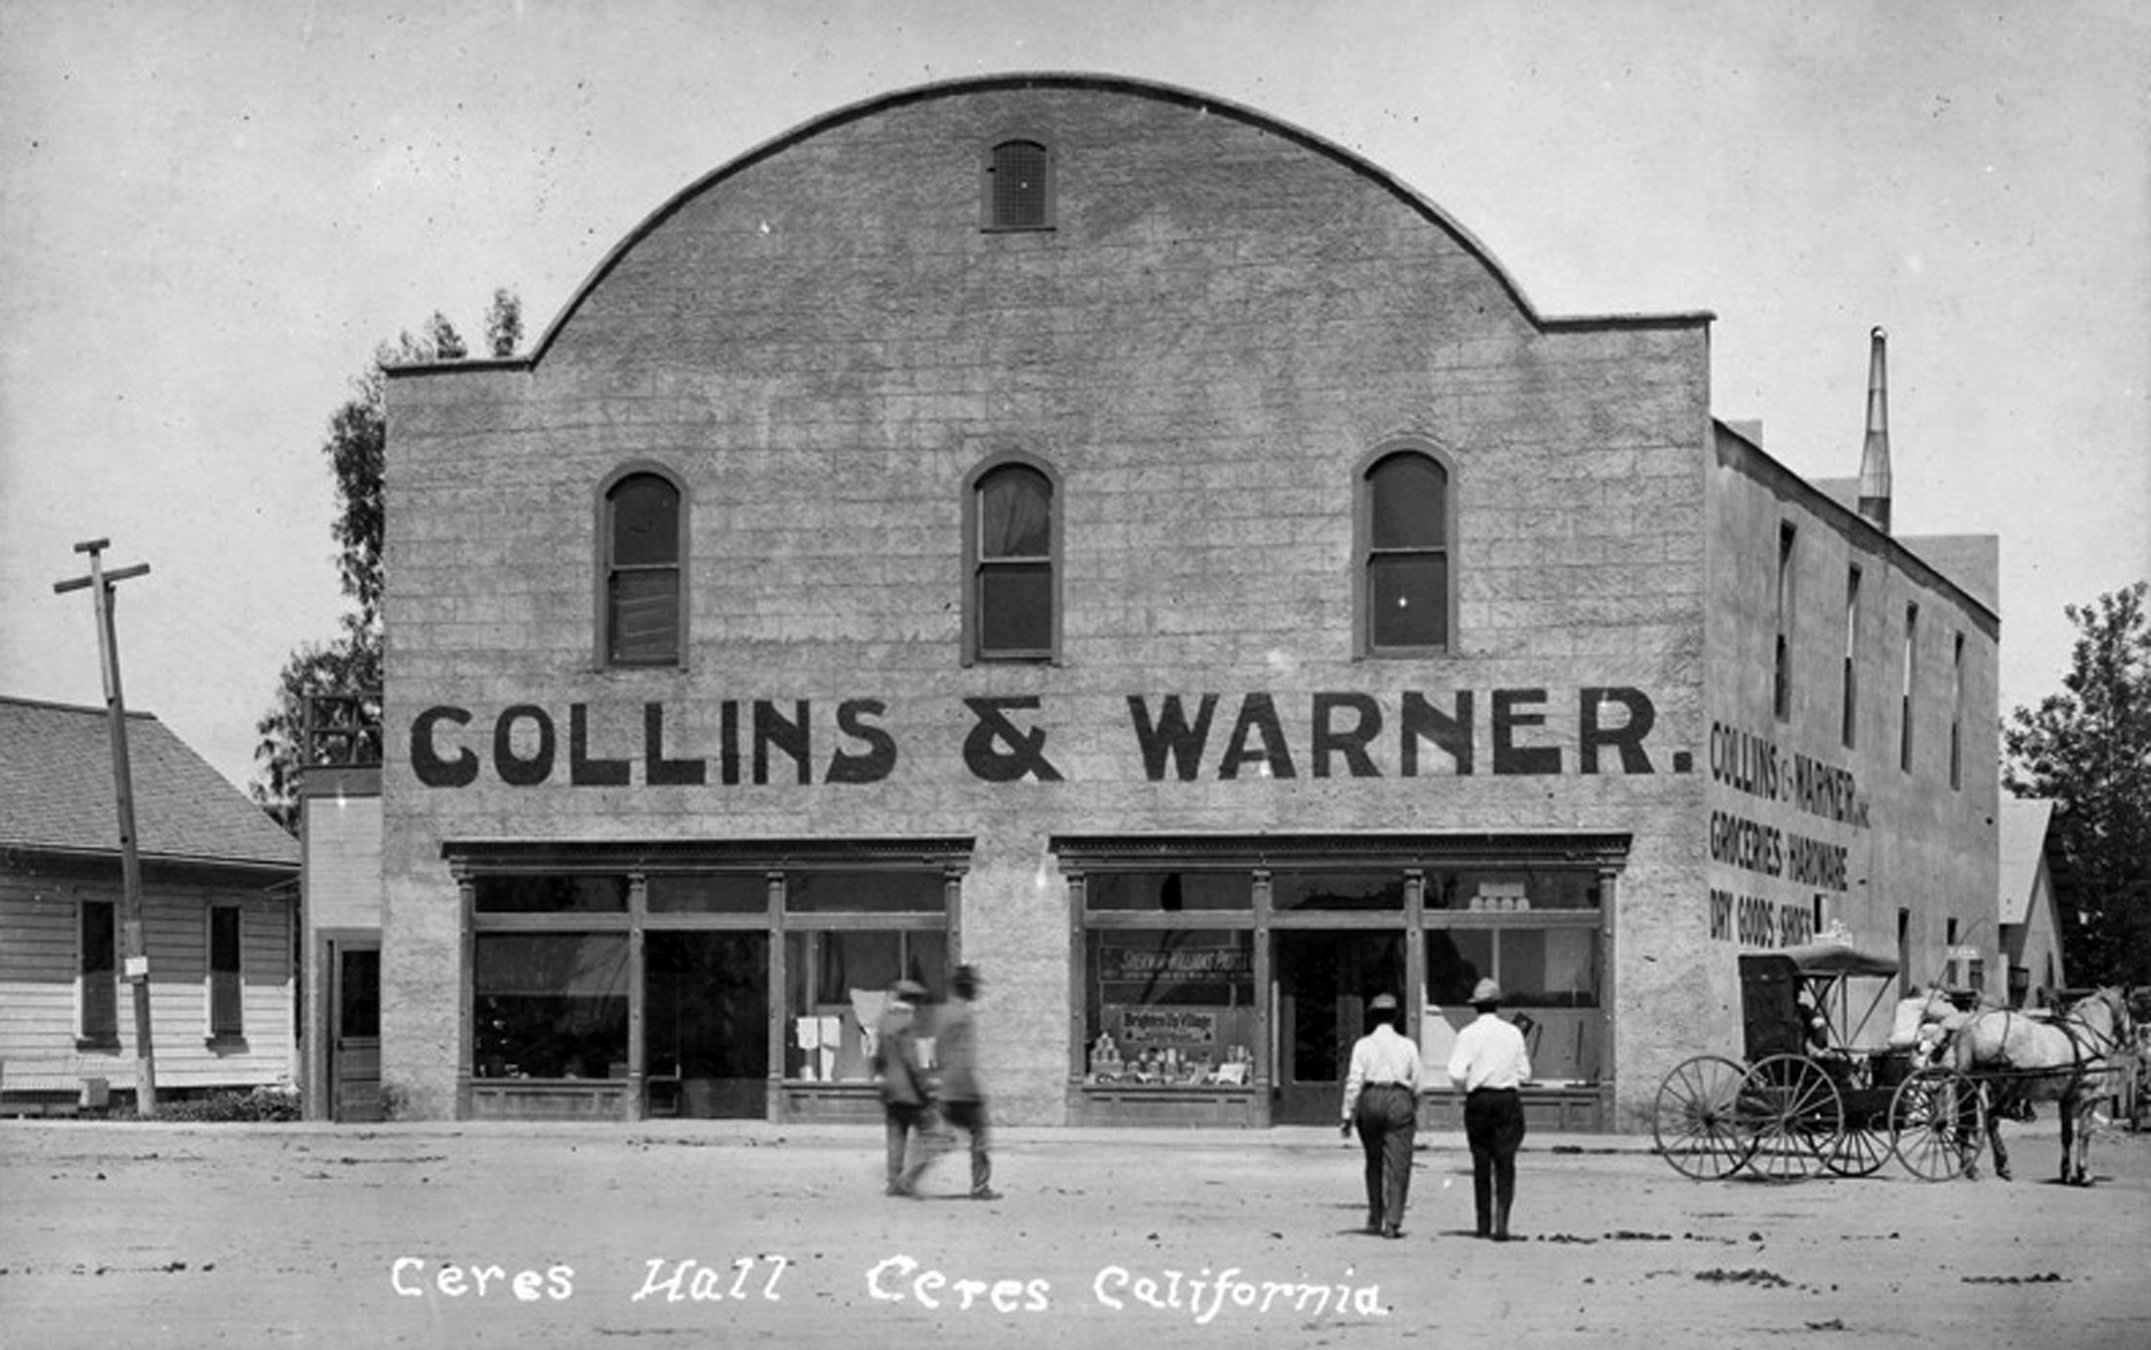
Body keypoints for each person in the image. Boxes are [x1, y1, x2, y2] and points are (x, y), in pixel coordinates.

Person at [1446, 978, 1530, 1241]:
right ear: (1497, 1005)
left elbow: (1456, 1072)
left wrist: (1465, 1089)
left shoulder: (1467, 1034)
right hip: (1506, 1099)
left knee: (1481, 1162)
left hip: (1479, 1100)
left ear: (1476, 1007)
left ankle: (1483, 1225)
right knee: (1506, 1162)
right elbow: (1525, 1073)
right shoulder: (1513, 1033)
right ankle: (1502, 1222)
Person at [1339, 992, 1421, 1239]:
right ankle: (1393, 1221)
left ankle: (1375, 1216)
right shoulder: (1407, 1045)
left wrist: (1347, 1114)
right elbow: (1418, 1082)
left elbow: (1354, 1081)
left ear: (1372, 1017)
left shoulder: (1363, 1045)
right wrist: (1413, 1105)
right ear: (1395, 1016)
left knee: (1373, 1161)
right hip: (1399, 1097)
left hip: (1371, 1097)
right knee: (1399, 1164)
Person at [925, 964, 1001, 1200]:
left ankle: (909, 1176)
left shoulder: (943, 1012)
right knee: (979, 1136)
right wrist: (973, 1088)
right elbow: (964, 1055)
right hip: (963, 1087)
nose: (977, 991)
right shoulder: (964, 1015)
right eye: (974, 987)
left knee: (941, 1138)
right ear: (967, 989)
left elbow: (936, 1050)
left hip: (947, 1086)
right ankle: (980, 1186)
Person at [871, 978, 933, 1197]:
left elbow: (877, 1056)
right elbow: (911, 1059)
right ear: (912, 1001)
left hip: (890, 1089)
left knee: (896, 1135)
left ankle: (893, 1181)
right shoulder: (908, 1022)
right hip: (909, 1090)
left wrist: (878, 1078)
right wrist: (925, 1086)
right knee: (930, 1133)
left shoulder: (885, 1021)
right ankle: (909, 1179)